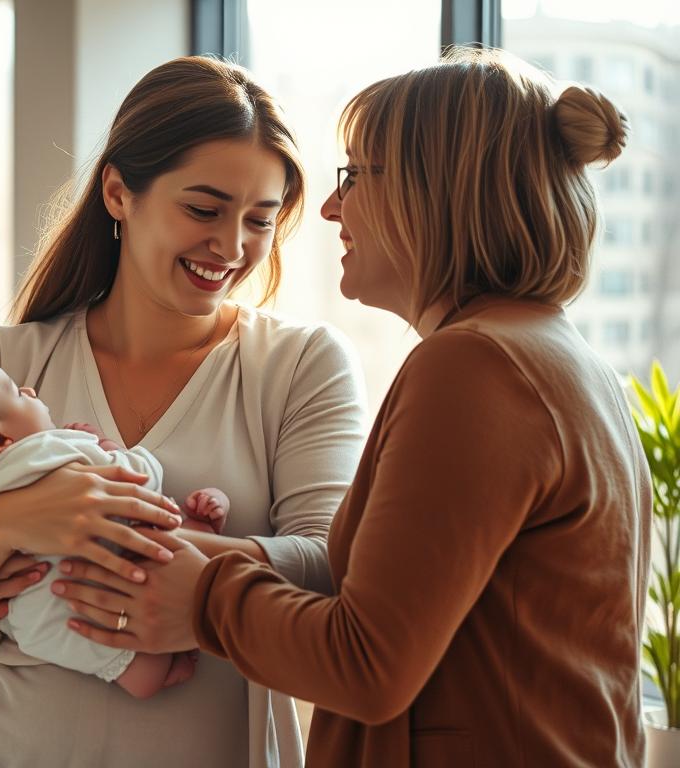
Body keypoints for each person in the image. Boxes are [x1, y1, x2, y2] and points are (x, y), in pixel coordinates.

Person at [59, 48, 649, 766]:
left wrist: (204, 593)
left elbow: (367, 665)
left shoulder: (476, 367)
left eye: (355, 176)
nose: (334, 207)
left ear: (435, 192)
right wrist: (202, 557)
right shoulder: (555, 359)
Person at [0, 56, 368, 767]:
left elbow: (332, 573)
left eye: (260, 221)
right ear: (119, 192)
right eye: (204, 209)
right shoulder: (9, 365)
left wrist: (164, 568)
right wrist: (4, 524)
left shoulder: (299, 367)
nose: (232, 246)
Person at [0, 356, 226, 698]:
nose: (28, 390)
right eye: (15, 392)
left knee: (109, 652)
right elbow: (138, 483)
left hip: (38, 620)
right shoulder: (45, 450)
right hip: (121, 576)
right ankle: (201, 530)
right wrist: (108, 448)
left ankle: (150, 671)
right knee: (165, 529)